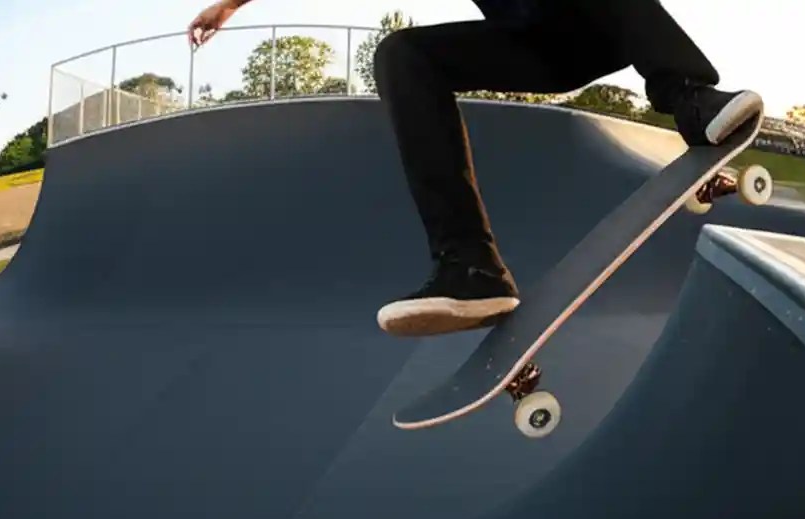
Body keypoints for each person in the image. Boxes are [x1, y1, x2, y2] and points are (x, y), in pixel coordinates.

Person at [188, 0, 763, 336]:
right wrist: (232, 6)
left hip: (599, 20)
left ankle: (688, 96)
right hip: (533, 47)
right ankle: (471, 267)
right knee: (401, 55)